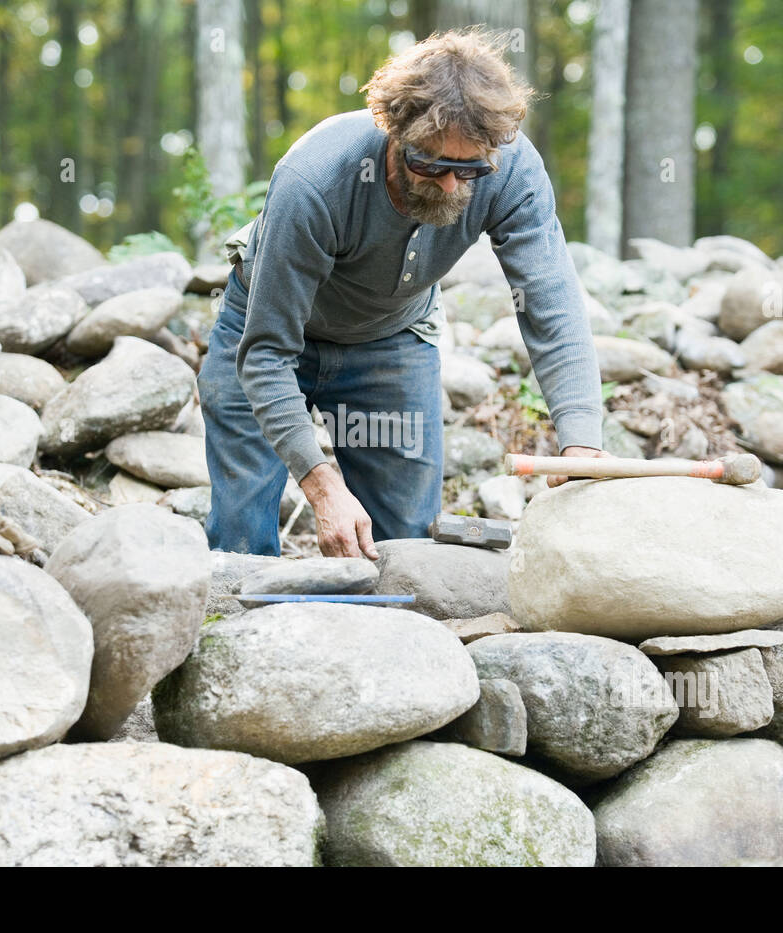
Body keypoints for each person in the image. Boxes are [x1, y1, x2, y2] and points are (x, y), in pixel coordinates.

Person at [198, 26, 608, 559]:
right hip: (264, 335)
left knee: (407, 552)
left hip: (392, 340)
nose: (449, 186)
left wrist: (580, 439)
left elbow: (553, 306)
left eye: (468, 171)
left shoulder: (512, 171)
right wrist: (323, 487)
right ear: (392, 131)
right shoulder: (315, 179)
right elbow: (267, 354)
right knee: (241, 544)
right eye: (430, 165)